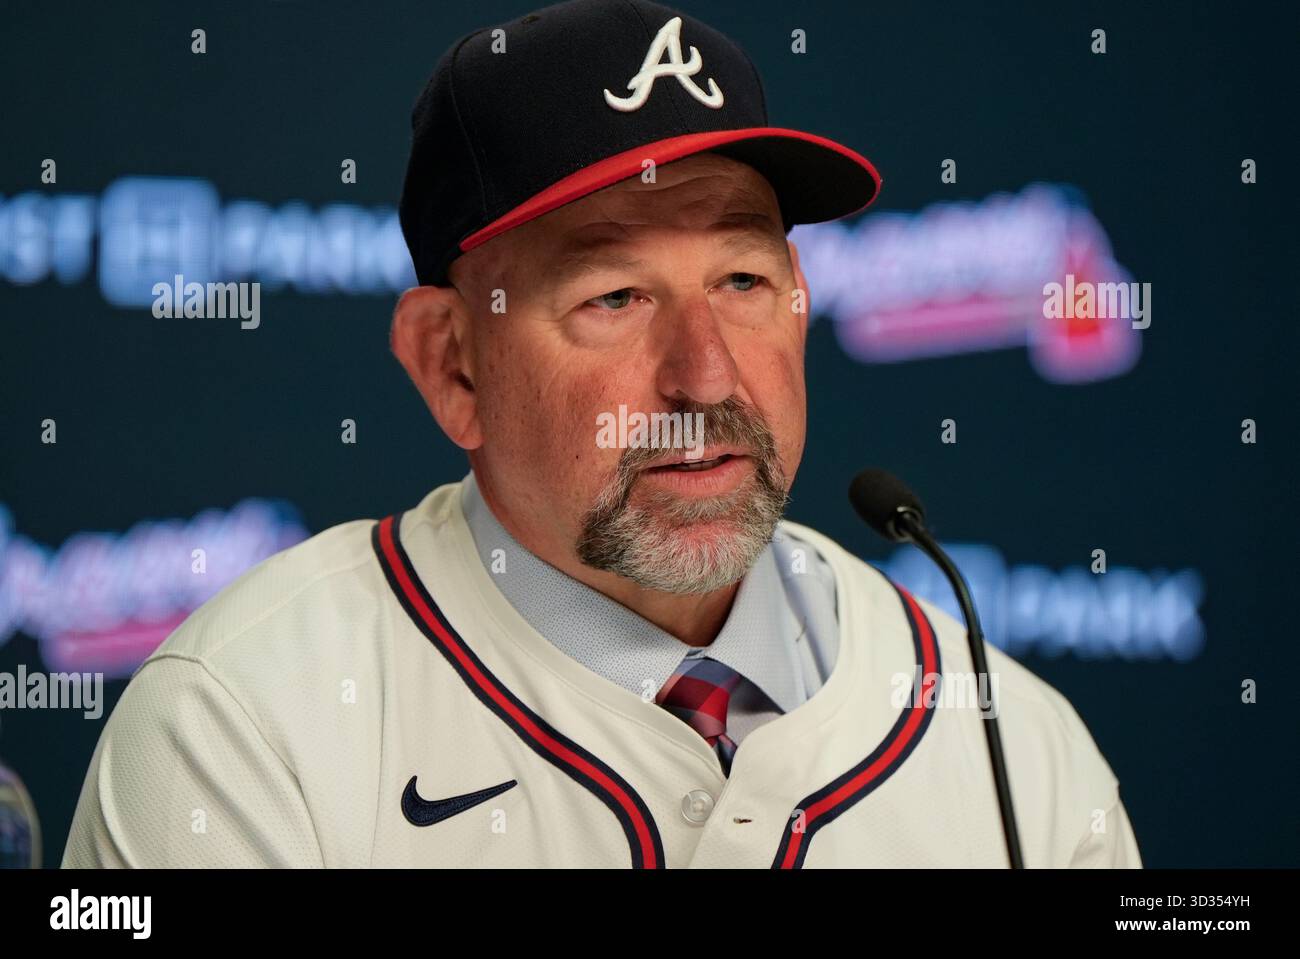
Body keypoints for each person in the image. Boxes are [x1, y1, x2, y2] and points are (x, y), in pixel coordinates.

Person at [63, 0, 1140, 868]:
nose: (705, 374)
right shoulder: (244, 729)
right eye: (615, 294)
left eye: (742, 277)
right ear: (452, 363)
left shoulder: (1014, 749)